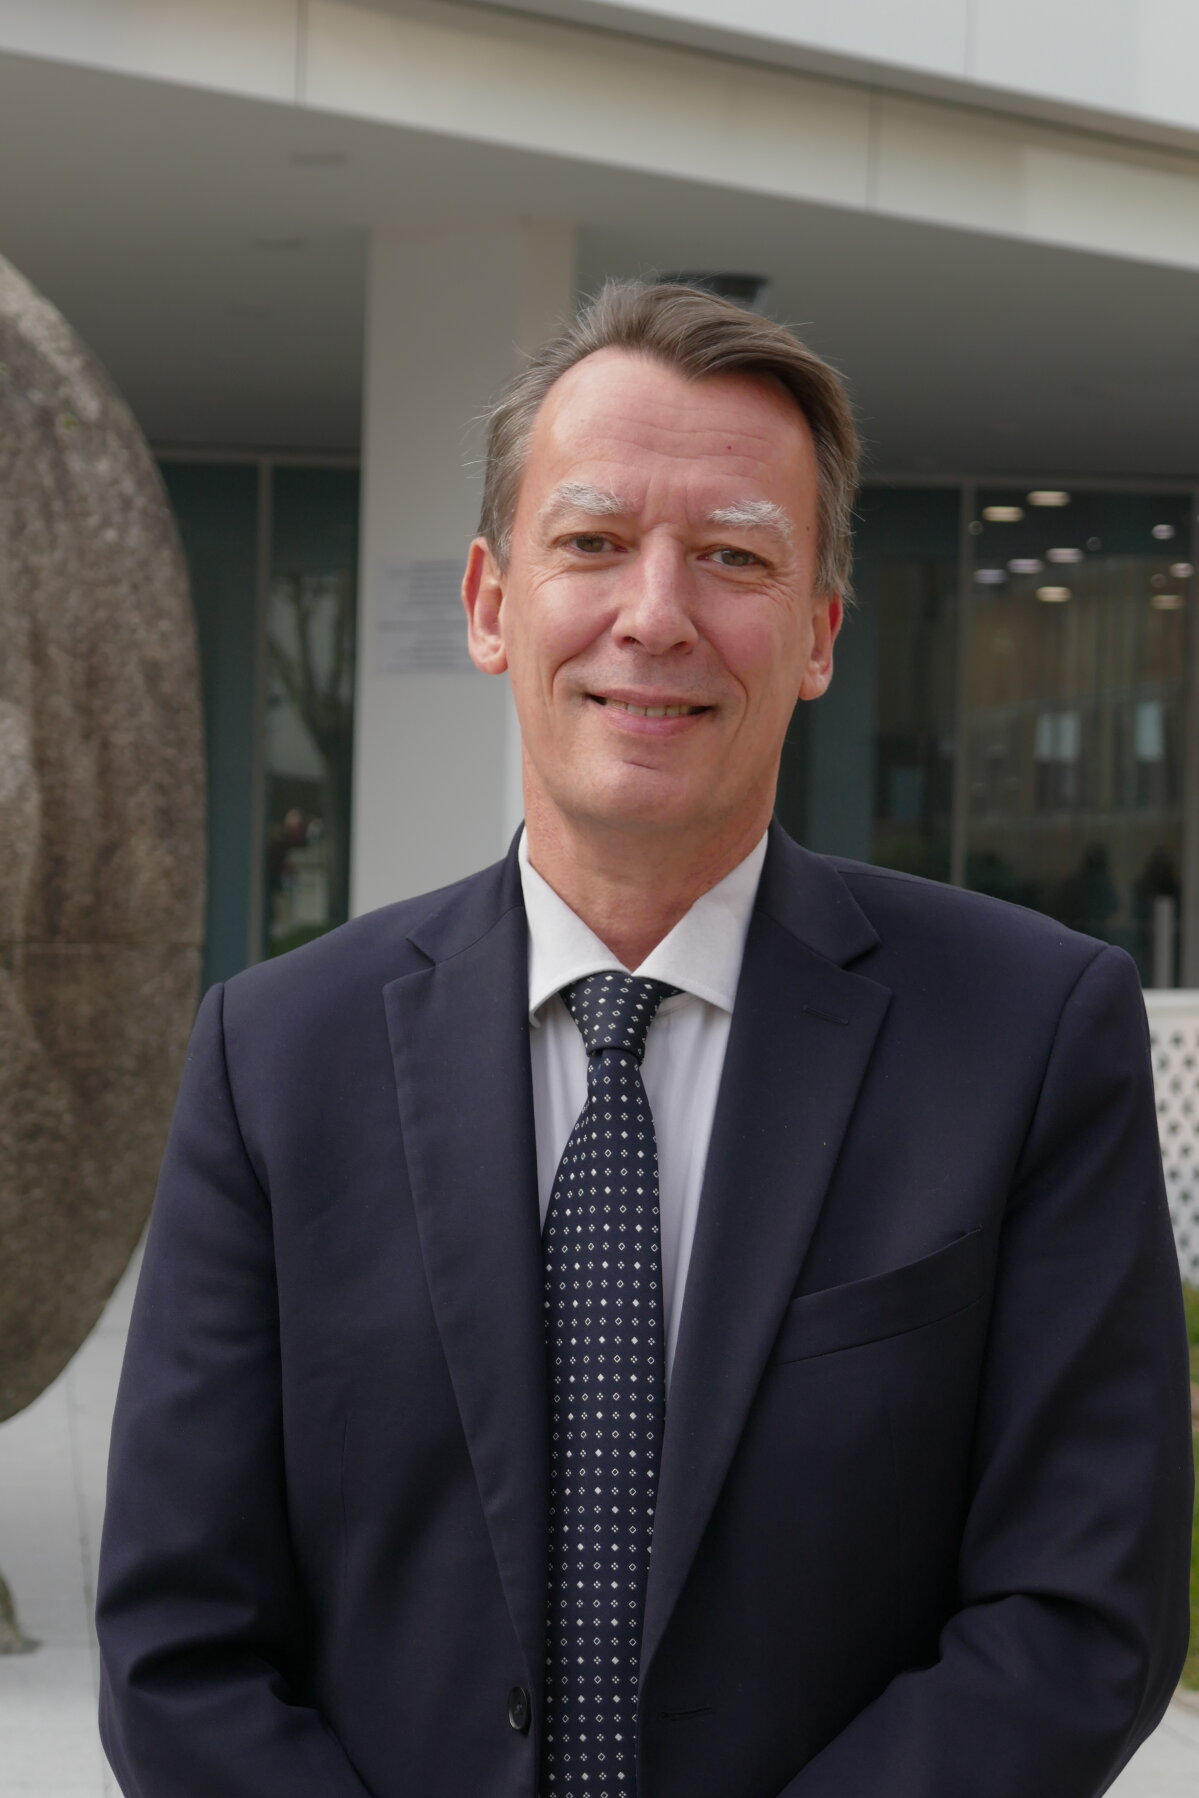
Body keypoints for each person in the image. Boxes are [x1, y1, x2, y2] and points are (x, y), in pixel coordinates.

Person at [96, 281, 1193, 1798]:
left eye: (735, 555)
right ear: (492, 601)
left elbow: (1084, 1615)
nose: (657, 612)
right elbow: (178, 1639)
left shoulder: (1029, 1037)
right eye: (594, 541)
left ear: (816, 633)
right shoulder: (272, 1058)